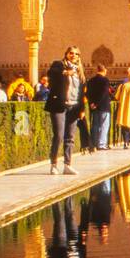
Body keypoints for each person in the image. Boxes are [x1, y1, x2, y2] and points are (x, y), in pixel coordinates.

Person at [46, 45, 86, 175]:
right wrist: (65, 72)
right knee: (58, 135)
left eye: (76, 54)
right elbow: (50, 73)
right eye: (71, 53)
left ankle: (67, 164)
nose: (73, 55)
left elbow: (81, 94)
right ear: (66, 54)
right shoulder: (59, 65)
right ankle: (53, 164)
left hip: (73, 107)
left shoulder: (80, 72)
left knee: (70, 137)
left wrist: (82, 109)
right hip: (59, 105)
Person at [85, 64, 112, 151]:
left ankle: (94, 143)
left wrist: (92, 103)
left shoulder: (91, 80)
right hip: (103, 106)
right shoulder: (105, 80)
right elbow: (104, 93)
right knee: (104, 125)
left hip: (94, 107)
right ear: (104, 71)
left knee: (95, 125)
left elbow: (87, 93)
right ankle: (101, 144)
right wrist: (97, 103)